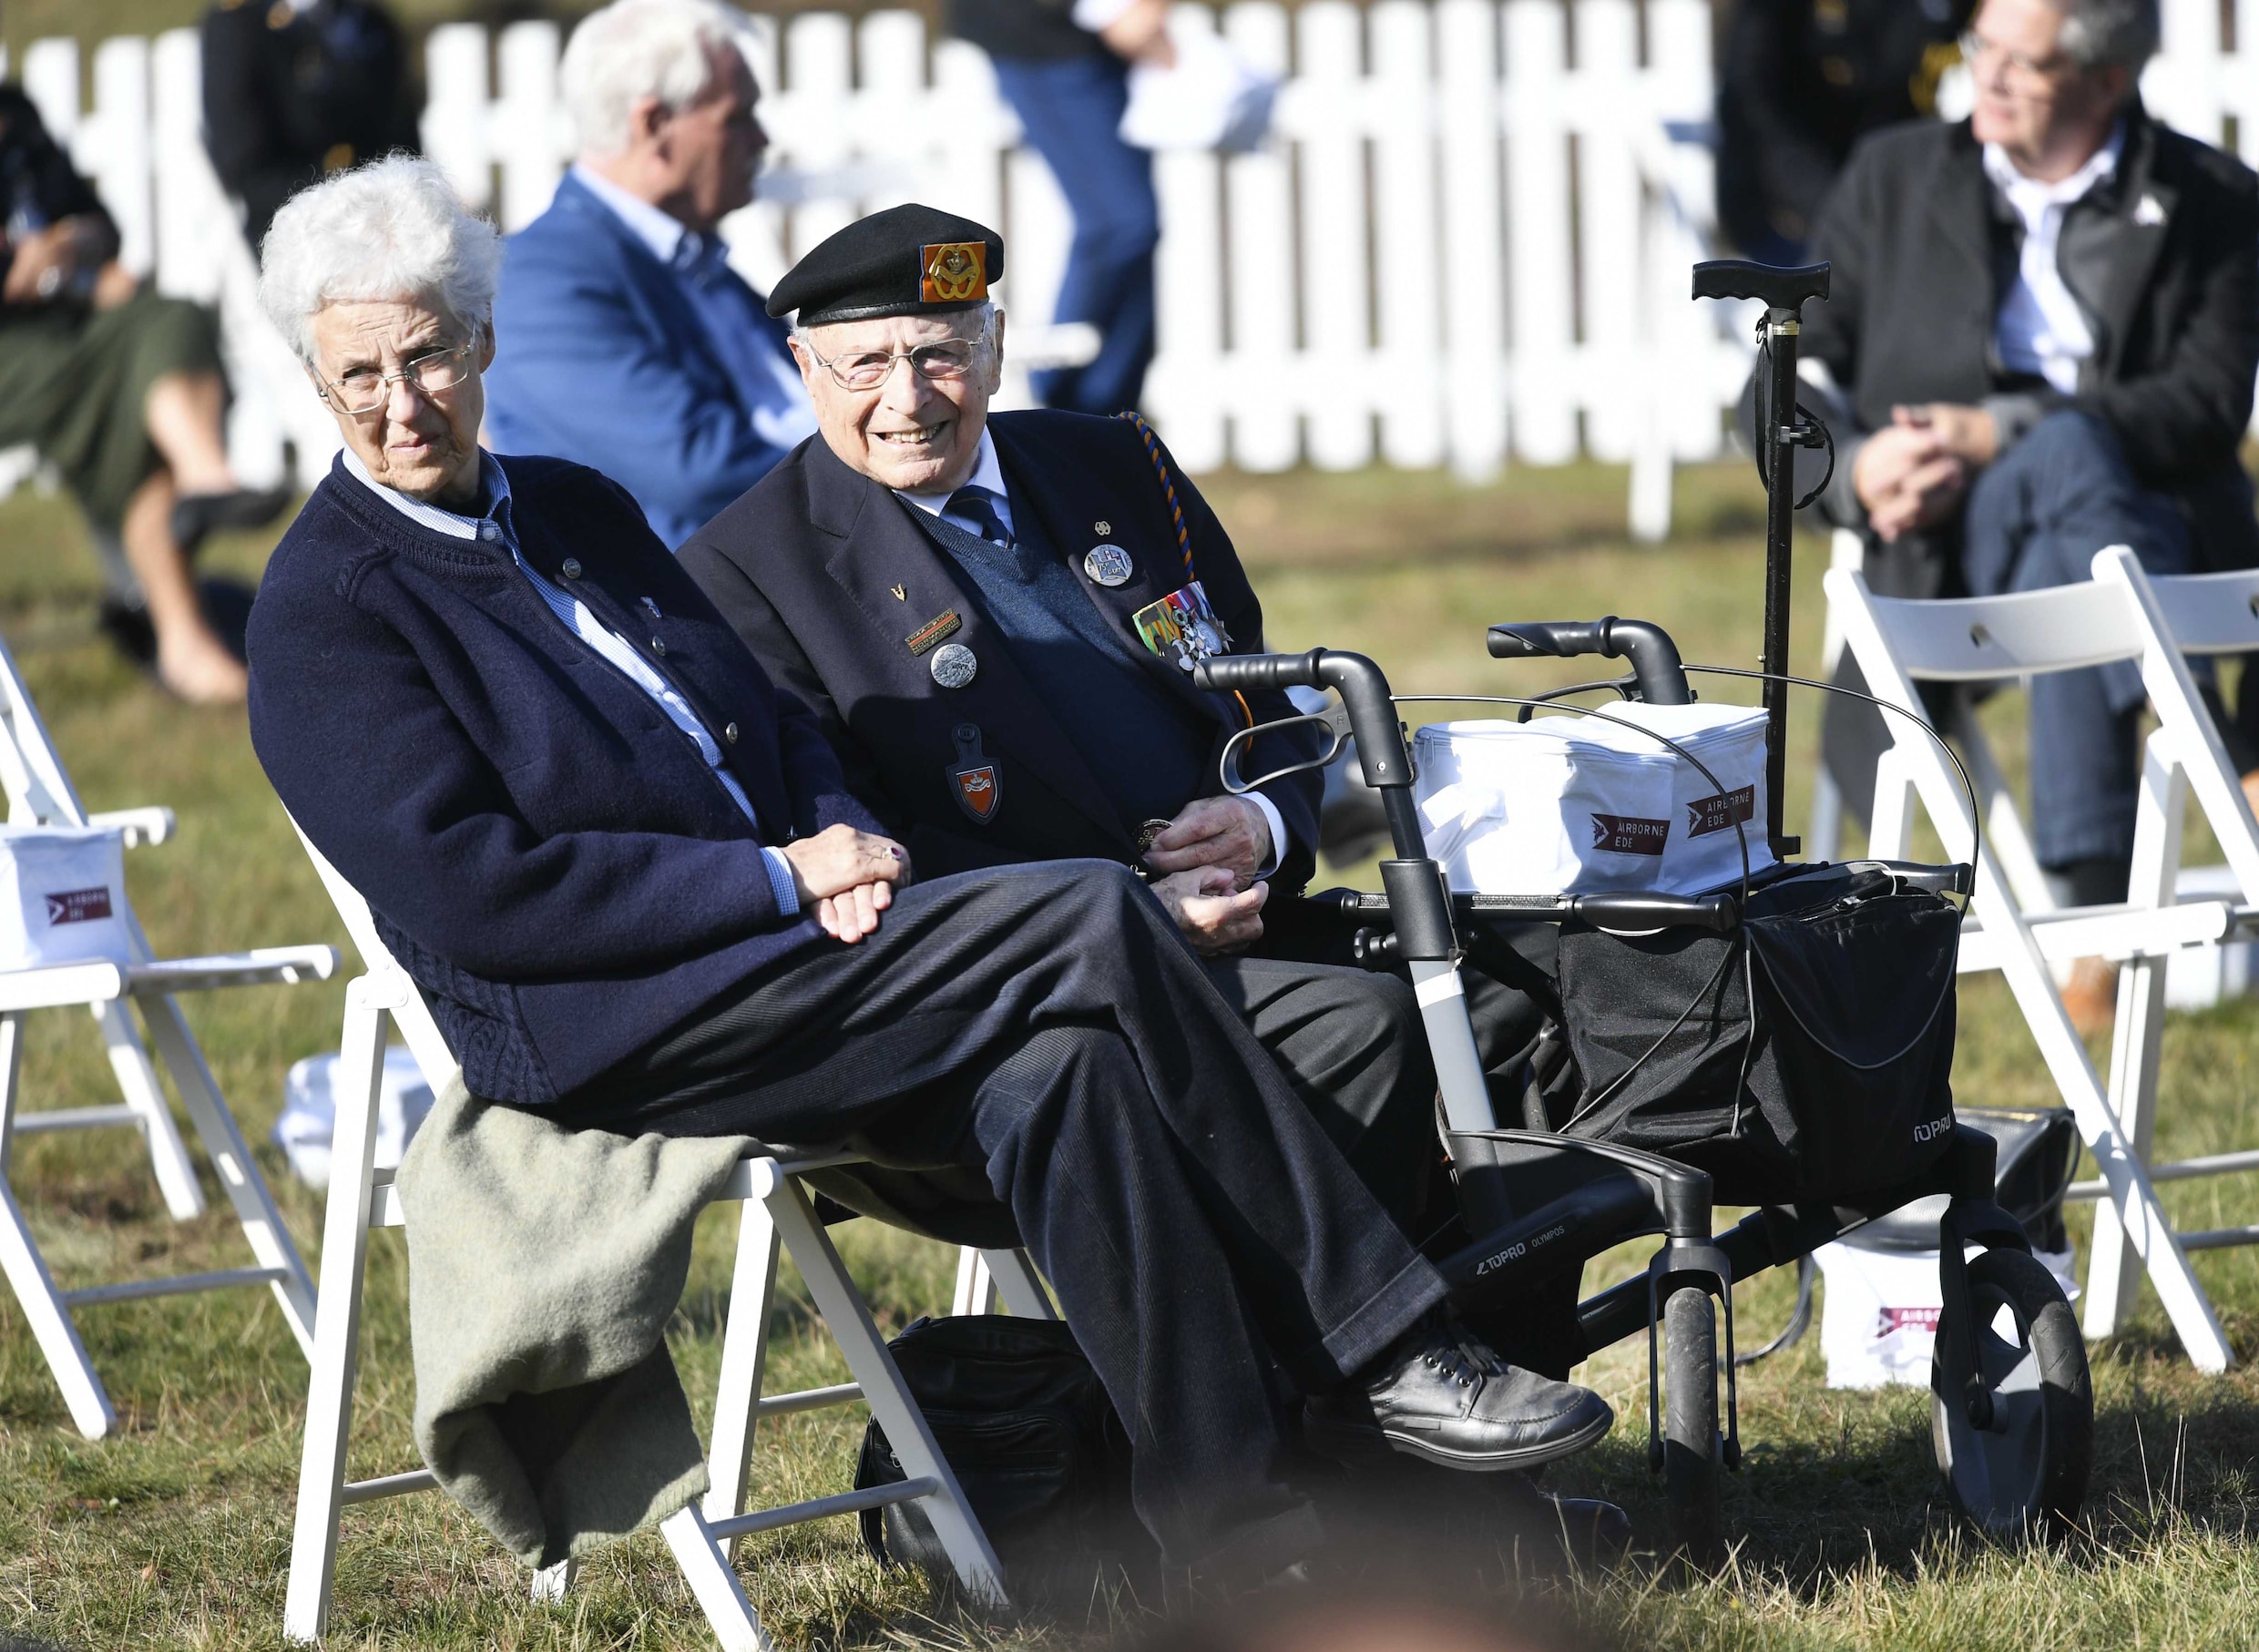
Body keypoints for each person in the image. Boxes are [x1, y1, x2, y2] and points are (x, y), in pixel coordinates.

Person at [246, 156, 1615, 1584]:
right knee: (1090, 911)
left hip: (804, 944)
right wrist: (780, 879)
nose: (401, 403)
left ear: (479, 345)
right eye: (359, 375)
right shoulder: (328, 610)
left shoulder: (573, 508)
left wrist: (846, 843)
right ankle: (1397, 1343)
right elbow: (481, 896)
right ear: (312, 376)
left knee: (1068, 1076)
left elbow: (769, 727)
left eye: (424, 358)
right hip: (626, 1012)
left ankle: (1242, 1546)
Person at [680, 204, 1533, 1239]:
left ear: (993, 353)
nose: (905, 399)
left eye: (939, 353)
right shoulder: (745, 570)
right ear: (803, 369)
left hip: (1249, 920)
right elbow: (863, 845)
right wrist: (1135, 910)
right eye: (864, 365)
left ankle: (1485, 1341)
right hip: (1035, 996)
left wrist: (1258, 825)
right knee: (1369, 1031)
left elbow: (1259, 695)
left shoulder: (1114, 464)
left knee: (1510, 999)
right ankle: (1336, 1377)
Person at [1794, 0, 2259, 1034]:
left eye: (2023, 63)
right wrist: (1859, 464)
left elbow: (2205, 403)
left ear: (2103, 80)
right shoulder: (1892, 176)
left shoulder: (2213, 199)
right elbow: (1779, 378)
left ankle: (2086, 921)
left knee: (2071, 481)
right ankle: (2228, 760)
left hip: (2144, 539)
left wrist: (1999, 429)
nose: (1987, 79)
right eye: (1980, 51)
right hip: (1950, 555)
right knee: (2067, 467)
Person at [481, 0, 814, 551]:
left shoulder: (688, 257)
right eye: (736, 117)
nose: (761, 140)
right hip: (708, 608)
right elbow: (699, 471)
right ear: (655, 124)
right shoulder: (538, 283)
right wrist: (879, 478)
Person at [0, 81, 290, 703]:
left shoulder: (13, 111)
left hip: (64, 325)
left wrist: (72, 244)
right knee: (122, 376)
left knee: (169, 315)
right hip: (15, 349)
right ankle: (183, 624)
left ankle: (202, 483)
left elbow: (100, 224)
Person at [943, 0, 1163, 414]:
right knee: (1124, 224)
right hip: (1047, 32)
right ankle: (1066, 407)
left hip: (1087, 40)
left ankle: (1112, 416)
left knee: (1135, 230)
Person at [1716, 0, 1973, 263]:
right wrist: (1840, 206)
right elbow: (1757, 111)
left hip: (1891, 212)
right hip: (1787, 219)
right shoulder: (1771, 15)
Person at [199, 0, 421, 249]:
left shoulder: (370, 21)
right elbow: (249, 170)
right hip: (297, 234)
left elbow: (404, 138)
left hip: (389, 226)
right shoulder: (241, 24)